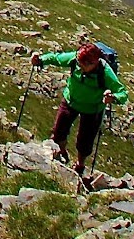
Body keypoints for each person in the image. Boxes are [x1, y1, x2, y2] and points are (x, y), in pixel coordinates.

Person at [30, 43, 126, 178]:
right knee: (58, 132)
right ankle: (61, 152)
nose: (80, 67)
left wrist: (113, 97)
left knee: (84, 141)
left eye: (83, 65)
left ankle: (80, 165)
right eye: (79, 64)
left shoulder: (105, 72)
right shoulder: (75, 59)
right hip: (70, 101)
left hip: (92, 109)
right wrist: (40, 59)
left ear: (94, 63)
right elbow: (57, 58)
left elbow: (122, 93)